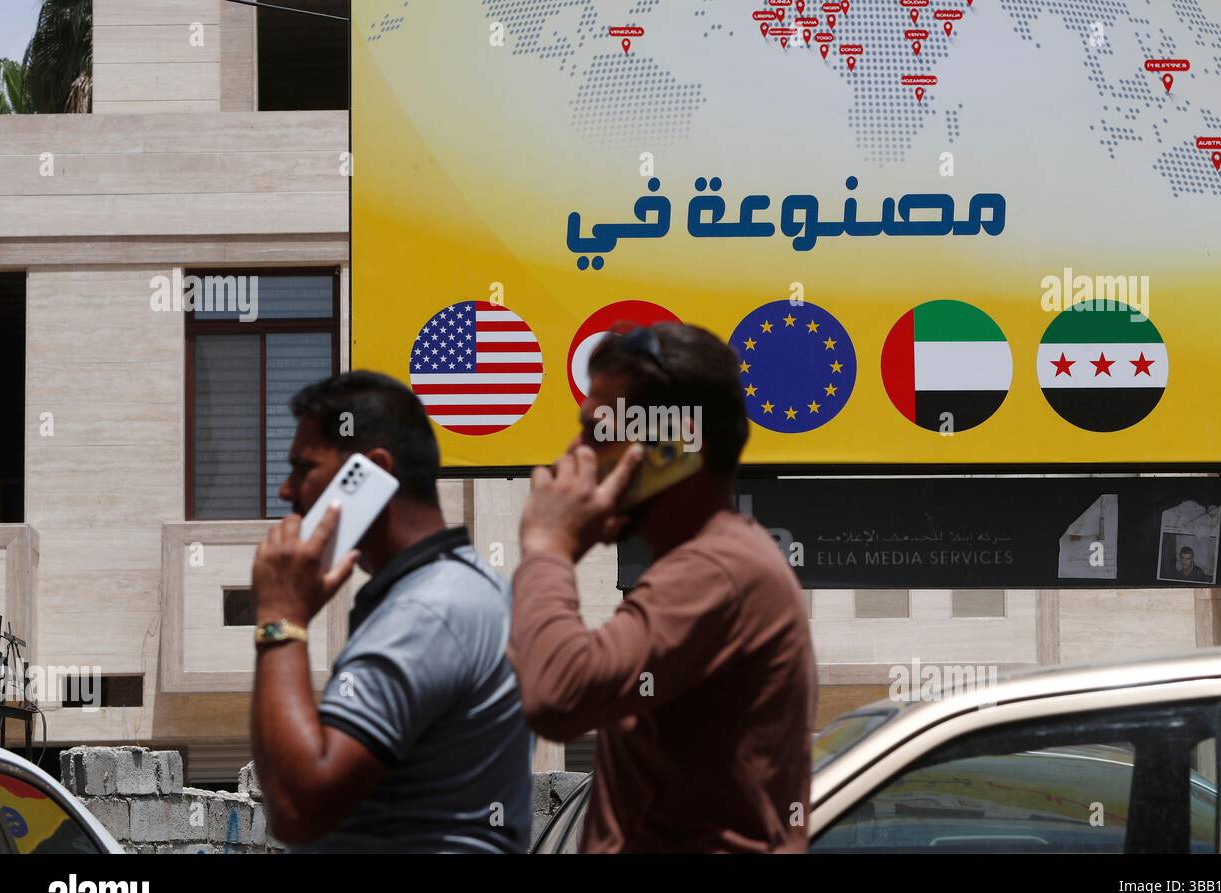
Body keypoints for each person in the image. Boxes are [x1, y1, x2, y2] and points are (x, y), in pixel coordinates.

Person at [508, 323, 817, 853]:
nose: (577, 452)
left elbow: (557, 695)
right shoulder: (703, 564)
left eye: (599, 430)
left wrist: (548, 550)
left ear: (673, 446)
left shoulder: (716, 572)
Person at [249, 370, 530, 852]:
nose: (286, 491)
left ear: (371, 473)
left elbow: (297, 809)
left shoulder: (430, 610)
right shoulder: (453, 590)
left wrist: (280, 621)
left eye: (304, 468)